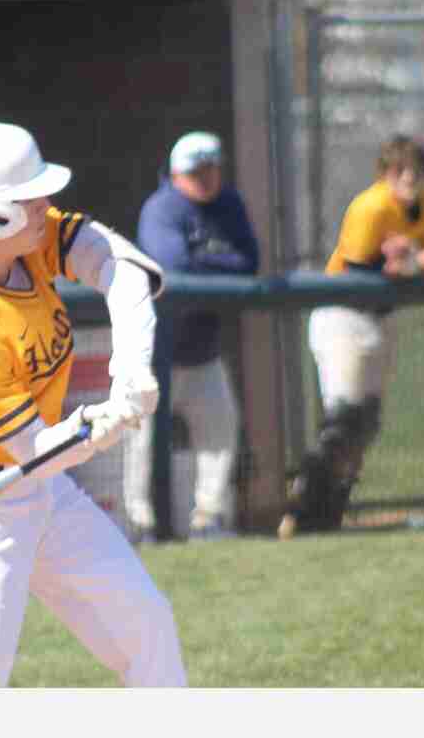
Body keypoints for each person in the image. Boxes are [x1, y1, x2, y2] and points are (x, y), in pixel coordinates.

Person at [0, 121, 186, 688]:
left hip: (43, 489)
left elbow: (117, 265)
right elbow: (34, 450)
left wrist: (131, 362)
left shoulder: (19, 247)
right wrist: (96, 426)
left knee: (147, 627)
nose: (45, 206)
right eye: (27, 199)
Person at [282, 134, 424, 539]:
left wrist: (419, 261)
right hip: (344, 316)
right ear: (384, 173)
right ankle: (303, 510)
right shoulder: (371, 205)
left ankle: (330, 515)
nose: (409, 177)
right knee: (343, 418)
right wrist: (406, 263)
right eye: (399, 170)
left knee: (366, 424)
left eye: (416, 169)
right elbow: (359, 272)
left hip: (381, 320)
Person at [123, 131, 260, 542]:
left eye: (211, 169)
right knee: (142, 442)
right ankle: (140, 525)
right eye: (196, 171)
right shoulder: (162, 207)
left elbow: (249, 261)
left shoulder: (229, 203)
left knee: (220, 430)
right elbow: (173, 265)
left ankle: (208, 519)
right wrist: (219, 261)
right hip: (153, 351)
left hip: (202, 350)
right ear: (177, 173)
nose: (205, 178)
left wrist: (204, 260)